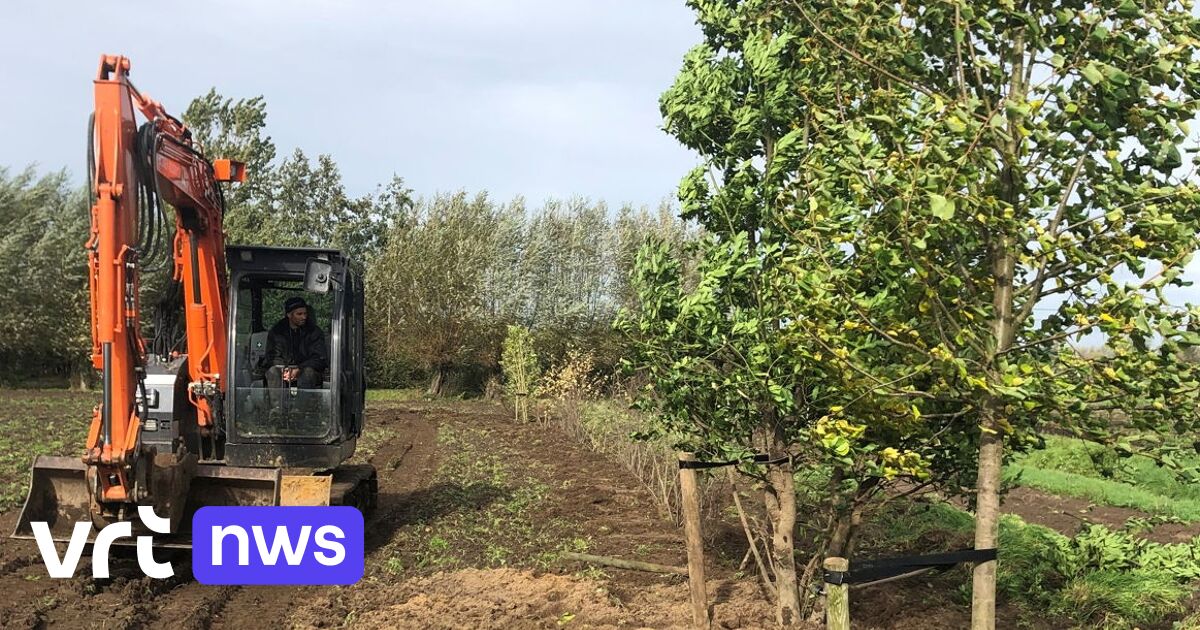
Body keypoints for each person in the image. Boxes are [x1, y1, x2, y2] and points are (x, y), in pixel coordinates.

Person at [264, 296, 328, 413]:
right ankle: (278, 411)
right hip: (284, 370)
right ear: (289, 315)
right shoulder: (277, 332)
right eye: (299, 314)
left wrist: (299, 369)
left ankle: (298, 412)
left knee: (308, 373)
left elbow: (319, 358)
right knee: (272, 371)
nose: (304, 317)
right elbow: (272, 356)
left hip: (306, 370)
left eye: (305, 313)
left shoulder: (314, 332)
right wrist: (284, 370)